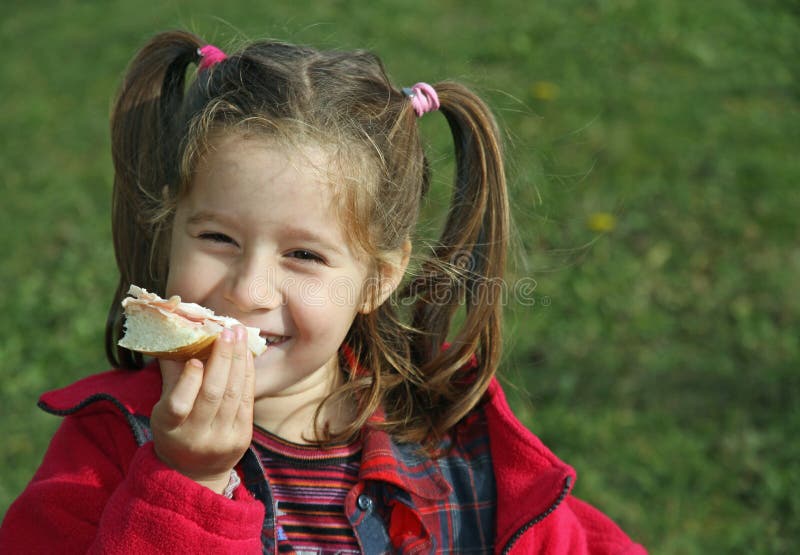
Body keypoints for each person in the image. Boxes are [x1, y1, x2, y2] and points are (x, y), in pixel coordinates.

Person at [0, 30, 646, 554]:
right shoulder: (108, 448)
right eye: (218, 238)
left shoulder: (460, 449)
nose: (248, 290)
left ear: (378, 278)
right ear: (170, 227)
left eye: (303, 255)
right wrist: (188, 482)